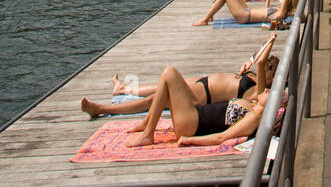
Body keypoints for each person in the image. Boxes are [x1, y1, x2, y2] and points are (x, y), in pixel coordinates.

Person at [121, 37, 278, 148]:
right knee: (166, 87)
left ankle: (148, 134)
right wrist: (268, 43)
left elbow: (222, 137)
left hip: (192, 123)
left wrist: (190, 141)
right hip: (194, 114)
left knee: (170, 73)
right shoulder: (253, 105)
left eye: (269, 94)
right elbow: (260, 63)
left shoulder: (254, 118)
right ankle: (146, 125)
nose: (265, 91)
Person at [82, 47, 281, 118]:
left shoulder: (259, 90)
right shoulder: (253, 77)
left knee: (154, 101)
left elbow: (261, 61)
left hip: (204, 95)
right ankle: (124, 88)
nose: (266, 69)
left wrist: (268, 47)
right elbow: (259, 58)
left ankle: (100, 108)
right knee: (164, 85)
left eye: (271, 70)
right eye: (269, 68)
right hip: (204, 83)